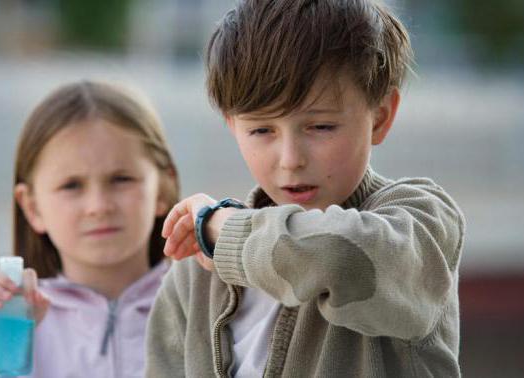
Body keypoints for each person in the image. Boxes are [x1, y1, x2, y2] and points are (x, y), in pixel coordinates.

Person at [146, 0, 465, 377]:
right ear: (232, 125)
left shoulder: (422, 219)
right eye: (262, 130)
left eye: (321, 127)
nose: (290, 159)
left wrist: (226, 231)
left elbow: (342, 260)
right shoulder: (195, 272)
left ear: (380, 116)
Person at [0, 80, 179, 377]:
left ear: (163, 189)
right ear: (32, 207)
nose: (98, 206)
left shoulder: (205, 307)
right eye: (71, 185)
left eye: (121, 179)